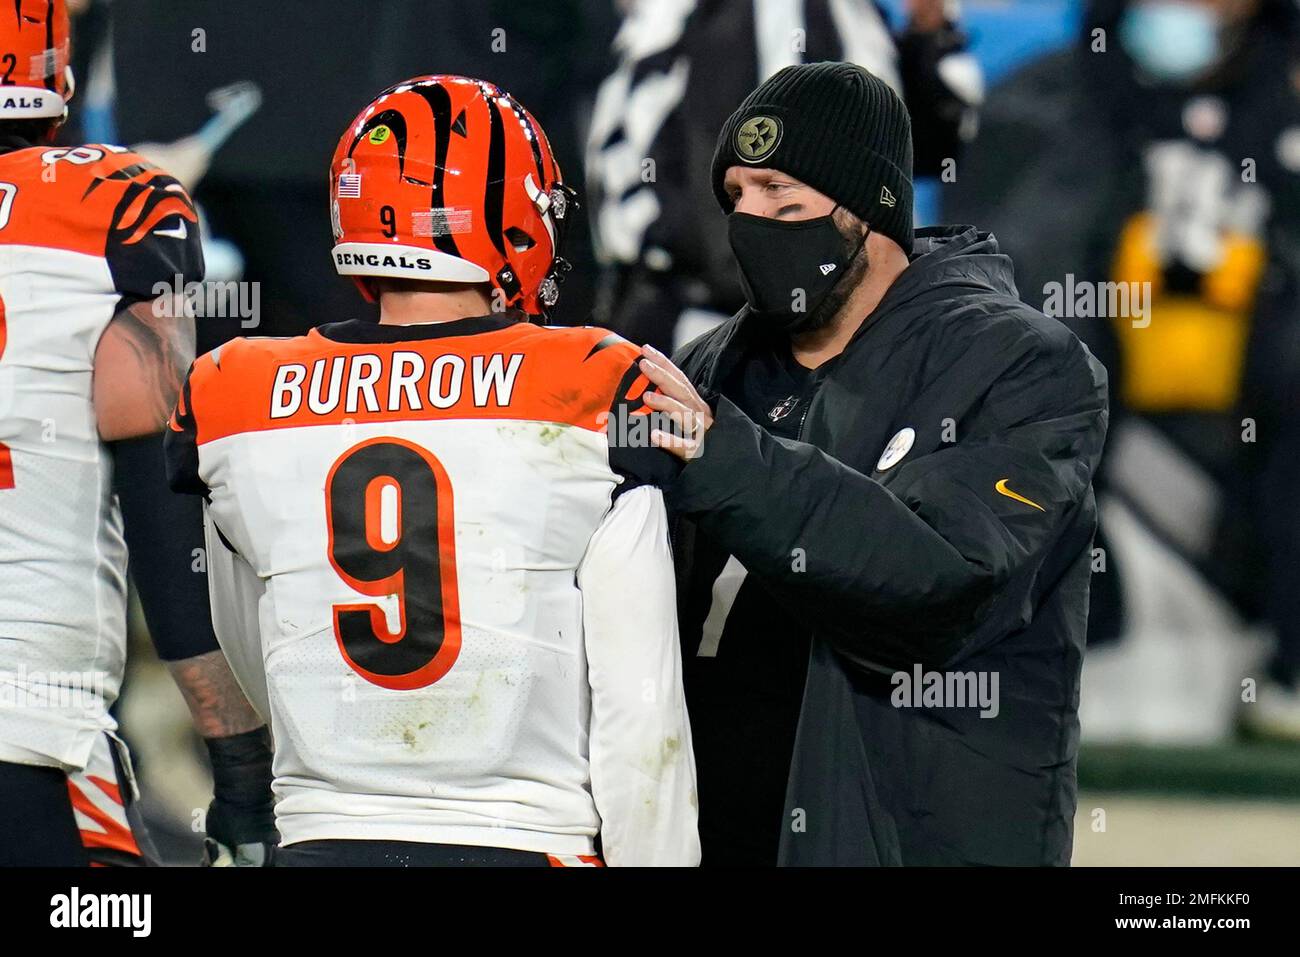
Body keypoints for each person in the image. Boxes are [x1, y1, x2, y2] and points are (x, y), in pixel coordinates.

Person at [165, 75, 699, 867]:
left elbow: (252, 646)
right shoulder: (591, 383)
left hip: (320, 839)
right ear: (512, 220)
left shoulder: (232, 394)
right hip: (522, 839)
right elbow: (640, 710)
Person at [637, 61, 1109, 865]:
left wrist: (721, 453)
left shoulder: (1021, 363)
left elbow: (938, 578)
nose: (753, 219)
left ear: (870, 209)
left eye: (782, 195)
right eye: (738, 197)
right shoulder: (708, 370)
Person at [0, 0, 274, 867]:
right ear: (56, 74)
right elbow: (163, 520)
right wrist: (238, 768)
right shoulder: (115, 209)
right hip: (31, 732)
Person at [585, 0, 982, 355]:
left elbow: (927, 151)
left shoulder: (851, 14)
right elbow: (748, 171)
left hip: (724, 314)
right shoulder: (750, 15)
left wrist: (930, 30)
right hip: (720, 322)